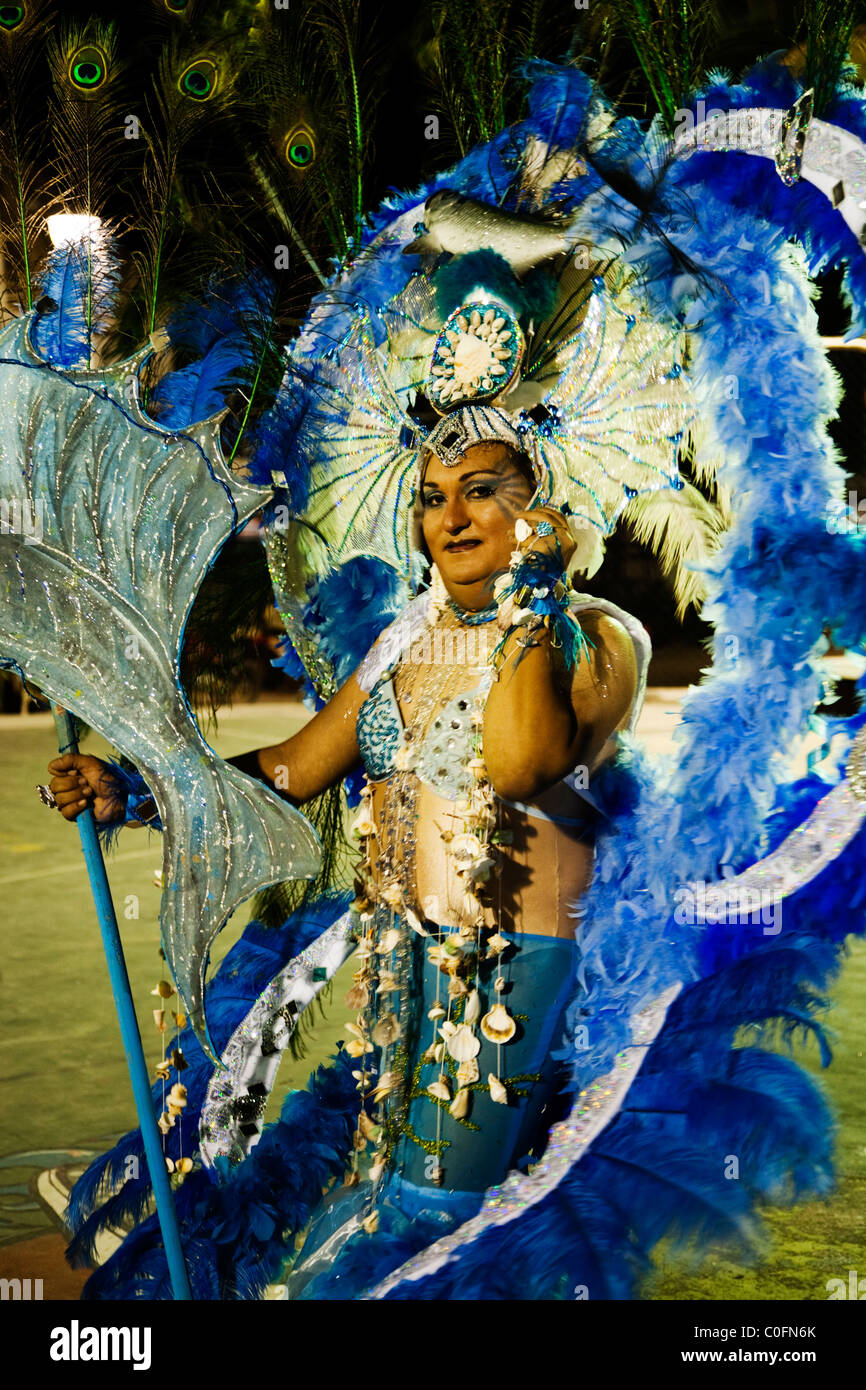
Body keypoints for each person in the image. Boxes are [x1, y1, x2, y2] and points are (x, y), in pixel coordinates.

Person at [48, 427, 646, 1296]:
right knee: (376, 1209)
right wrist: (131, 791)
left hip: (514, 977)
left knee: (431, 1222)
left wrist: (537, 588)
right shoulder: (407, 635)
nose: (453, 516)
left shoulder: (593, 637)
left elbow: (520, 767)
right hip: (405, 980)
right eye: (432, 497)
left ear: (538, 505)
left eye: (483, 490)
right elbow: (295, 768)